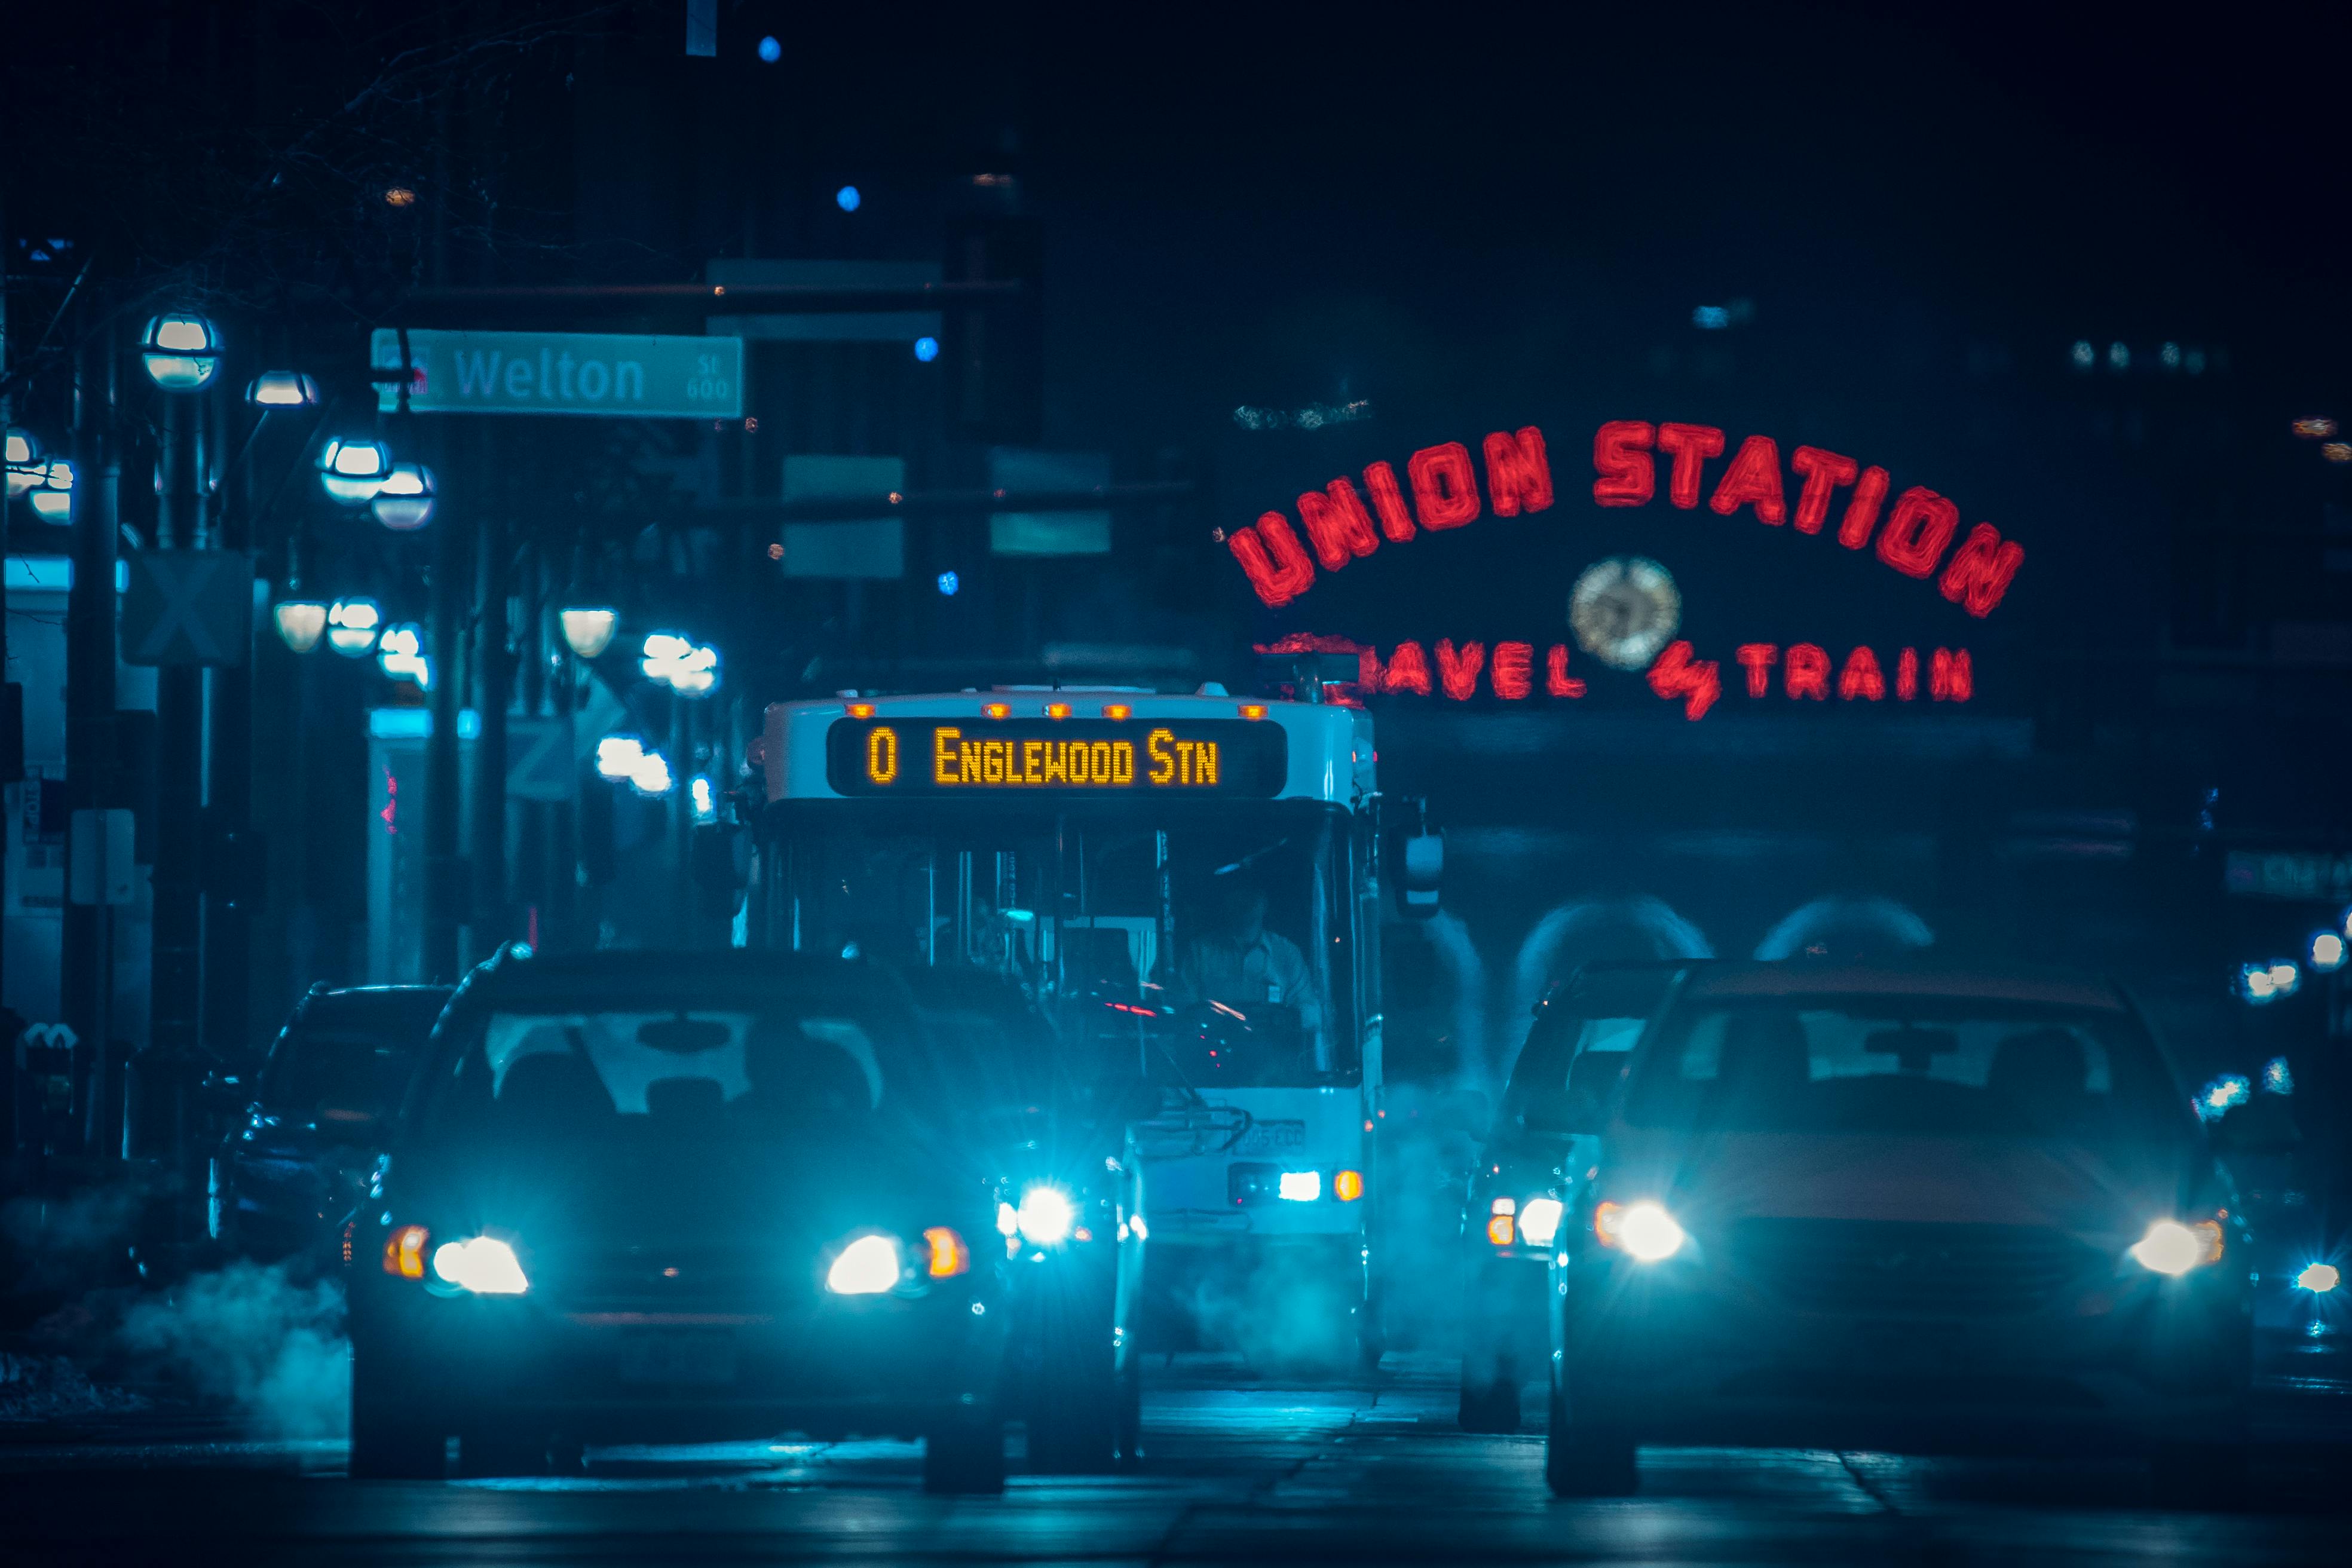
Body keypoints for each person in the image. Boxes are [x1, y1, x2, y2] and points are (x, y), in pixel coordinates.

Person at [1178, 876, 1319, 1043]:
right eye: (1240, 893)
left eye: (1254, 894)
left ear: (1265, 903)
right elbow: (1183, 1006)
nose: (1247, 901)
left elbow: (1312, 1013)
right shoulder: (1201, 951)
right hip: (1212, 1054)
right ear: (1227, 902)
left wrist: (1284, 1018)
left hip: (1273, 1059)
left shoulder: (1286, 953)